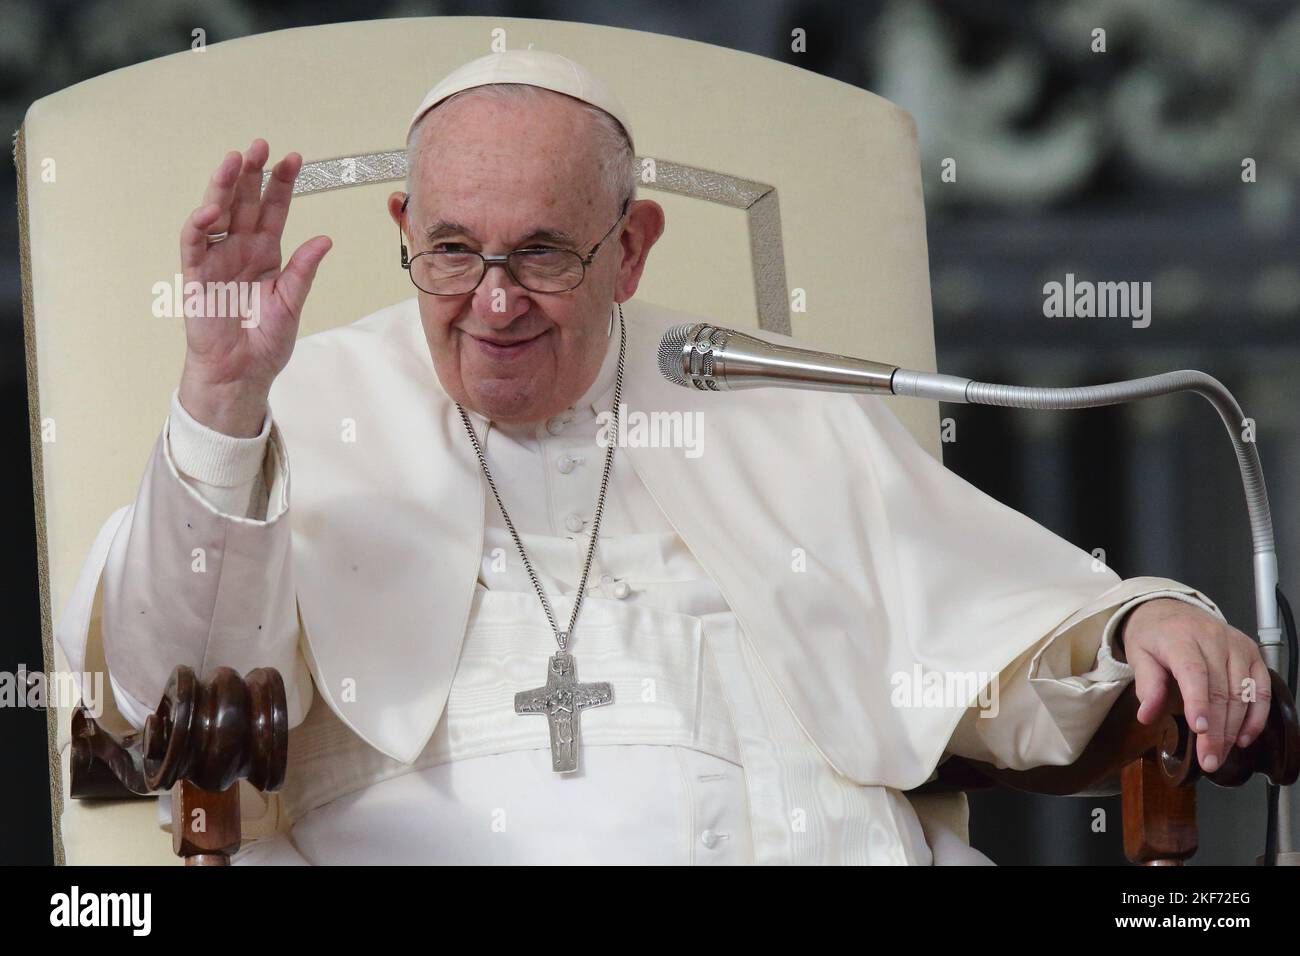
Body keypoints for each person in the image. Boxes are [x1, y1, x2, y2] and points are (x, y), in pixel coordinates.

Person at [56, 50, 1270, 865]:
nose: (494, 302)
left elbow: (986, 614)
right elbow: (170, 688)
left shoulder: (746, 387)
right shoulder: (300, 401)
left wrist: (1141, 619)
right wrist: (219, 393)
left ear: (631, 247)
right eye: (451, 251)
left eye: (543, 252)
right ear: (400, 235)